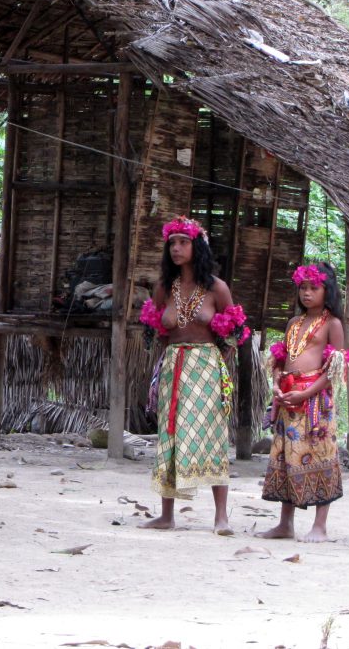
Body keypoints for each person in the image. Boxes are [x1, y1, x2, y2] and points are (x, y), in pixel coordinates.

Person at [138, 216, 249, 534]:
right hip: (174, 365)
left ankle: (221, 518)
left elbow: (234, 334)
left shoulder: (217, 288)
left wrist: (217, 362)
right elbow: (160, 333)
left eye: (183, 242)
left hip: (206, 369)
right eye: (172, 243)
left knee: (212, 436)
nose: (176, 248)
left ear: (196, 245)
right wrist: (173, 357)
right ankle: (167, 515)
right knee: (169, 434)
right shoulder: (163, 289)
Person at [258, 262, 349, 542]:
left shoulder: (332, 324)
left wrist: (307, 393)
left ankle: (320, 526)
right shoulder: (293, 324)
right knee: (287, 456)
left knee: (320, 454)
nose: (307, 293)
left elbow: (335, 369)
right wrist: (276, 383)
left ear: (327, 290)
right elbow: (280, 358)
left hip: (315, 402)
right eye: (303, 288)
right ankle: (285, 524)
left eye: (314, 288)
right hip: (288, 396)